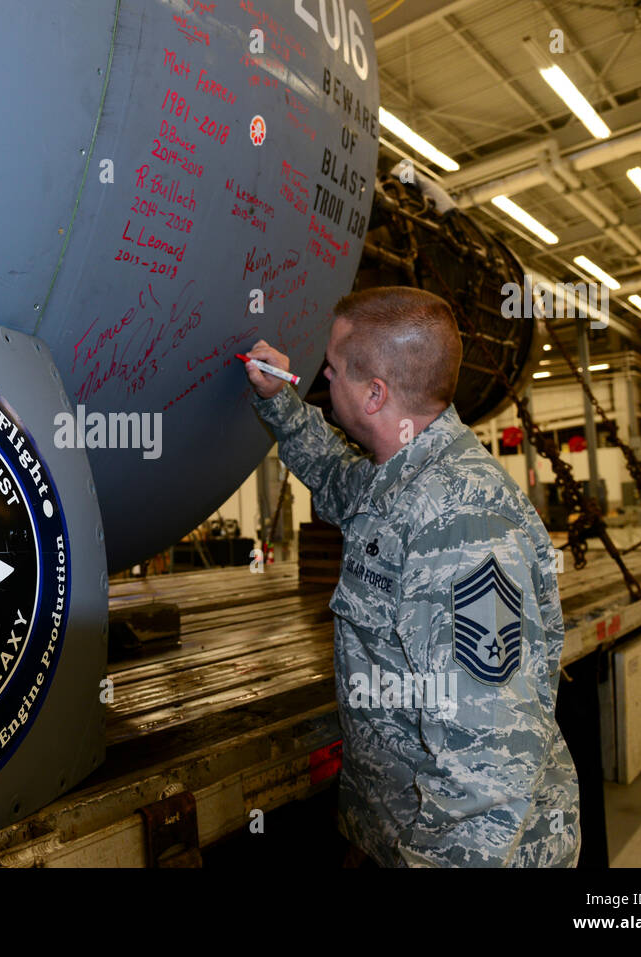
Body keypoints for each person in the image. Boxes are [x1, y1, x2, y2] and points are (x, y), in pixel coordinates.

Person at [244, 286, 580, 867]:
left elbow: (488, 778)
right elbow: (331, 473)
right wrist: (279, 401)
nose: (321, 376)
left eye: (333, 368)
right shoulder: (397, 475)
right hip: (392, 834)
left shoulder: (464, 530)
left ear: (375, 395)